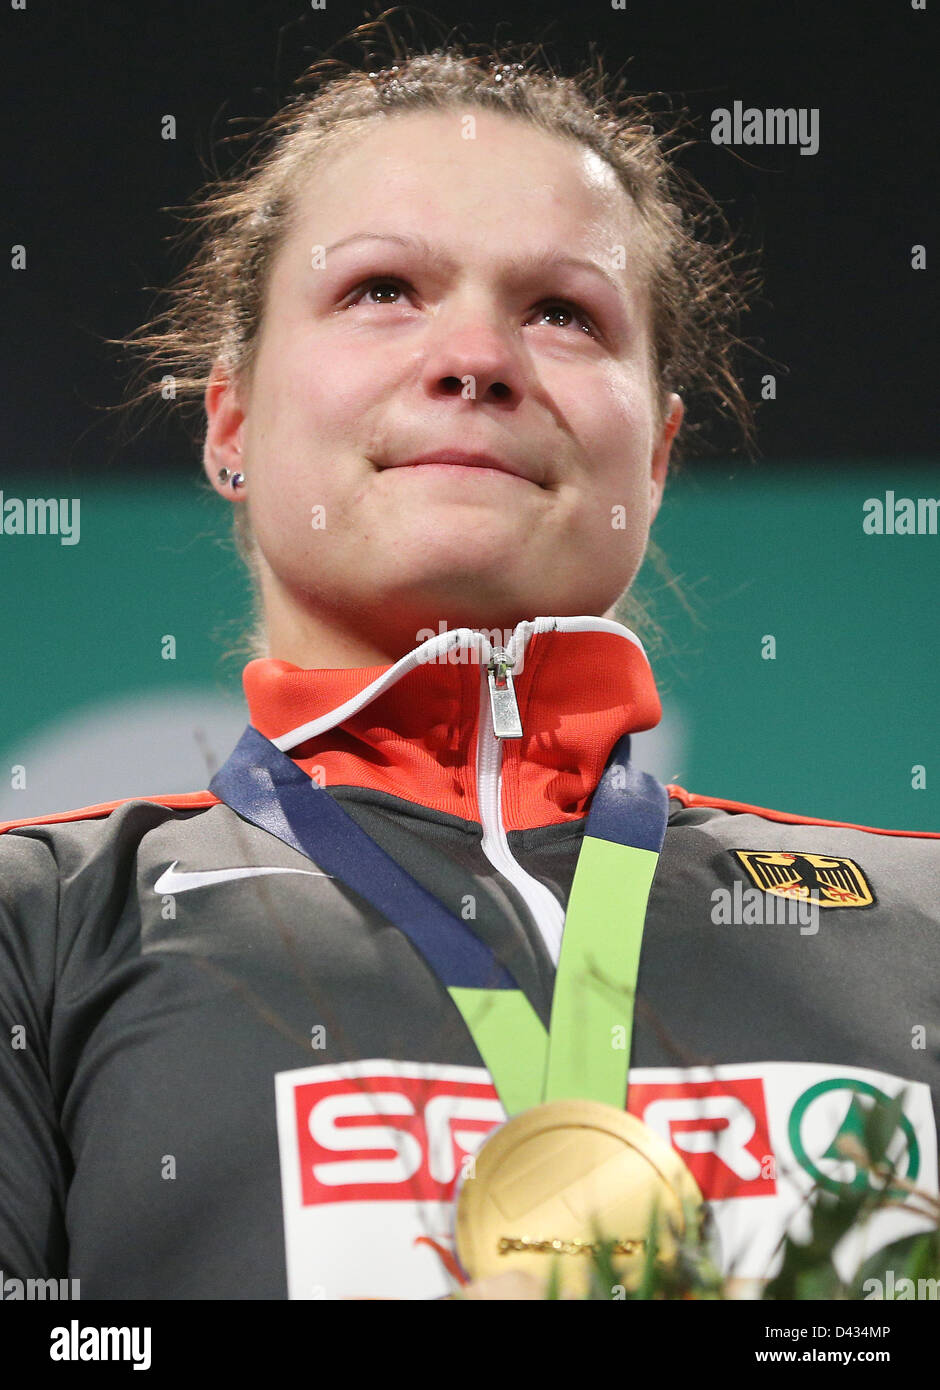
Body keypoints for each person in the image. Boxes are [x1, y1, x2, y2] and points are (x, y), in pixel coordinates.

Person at [0, 37, 937, 1303]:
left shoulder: (915, 928)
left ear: (655, 456)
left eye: (562, 311)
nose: (477, 357)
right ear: (231, 419)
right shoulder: (41, 931)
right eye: (383, 289)